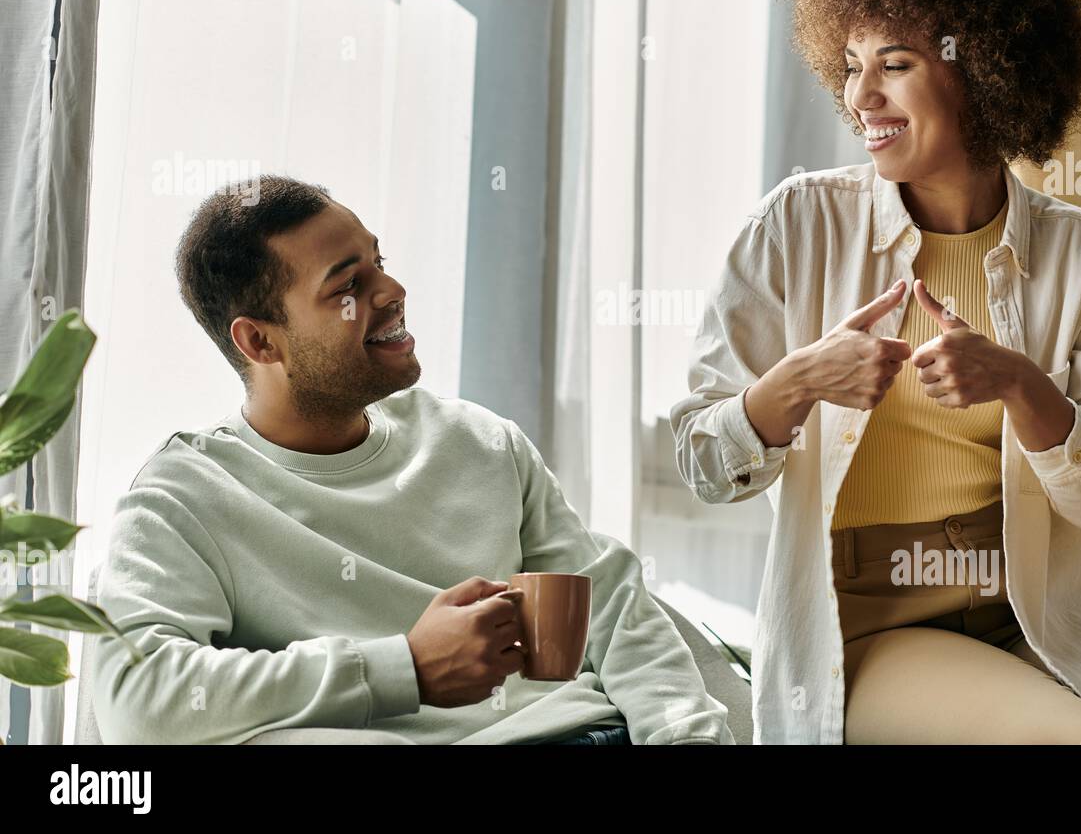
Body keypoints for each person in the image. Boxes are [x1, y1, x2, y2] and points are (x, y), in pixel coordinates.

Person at [669, 0, 1081, 744]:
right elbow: (701, 459)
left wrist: (1019, 382)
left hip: (1031, 613)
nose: (859, 95)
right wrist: (797, 383)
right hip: (875, 626)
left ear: (984, 65)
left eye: (894, 63)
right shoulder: (797, 226)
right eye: (850, 64)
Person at [91, 175, 733, 745]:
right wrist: (406, 666)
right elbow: (139, 702)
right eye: (349, 285)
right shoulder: (185, 497)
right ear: (260, 340)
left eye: (379, 262)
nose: (393, 291)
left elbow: (610, 606)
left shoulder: (480, 441)